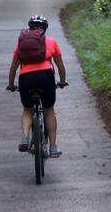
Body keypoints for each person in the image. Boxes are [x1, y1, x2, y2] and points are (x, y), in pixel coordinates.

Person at [6, 13, 67, 158]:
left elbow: (13, 68)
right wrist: (62, 81)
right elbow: (60, 66)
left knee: (27, 109)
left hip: (26, 78)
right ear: (44, 29)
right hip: (45, 77)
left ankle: (25, 138)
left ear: (30, 28)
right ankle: (53, 147)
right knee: (49, 109)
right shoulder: (51, 42)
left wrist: (11, 85)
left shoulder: (21, 44)